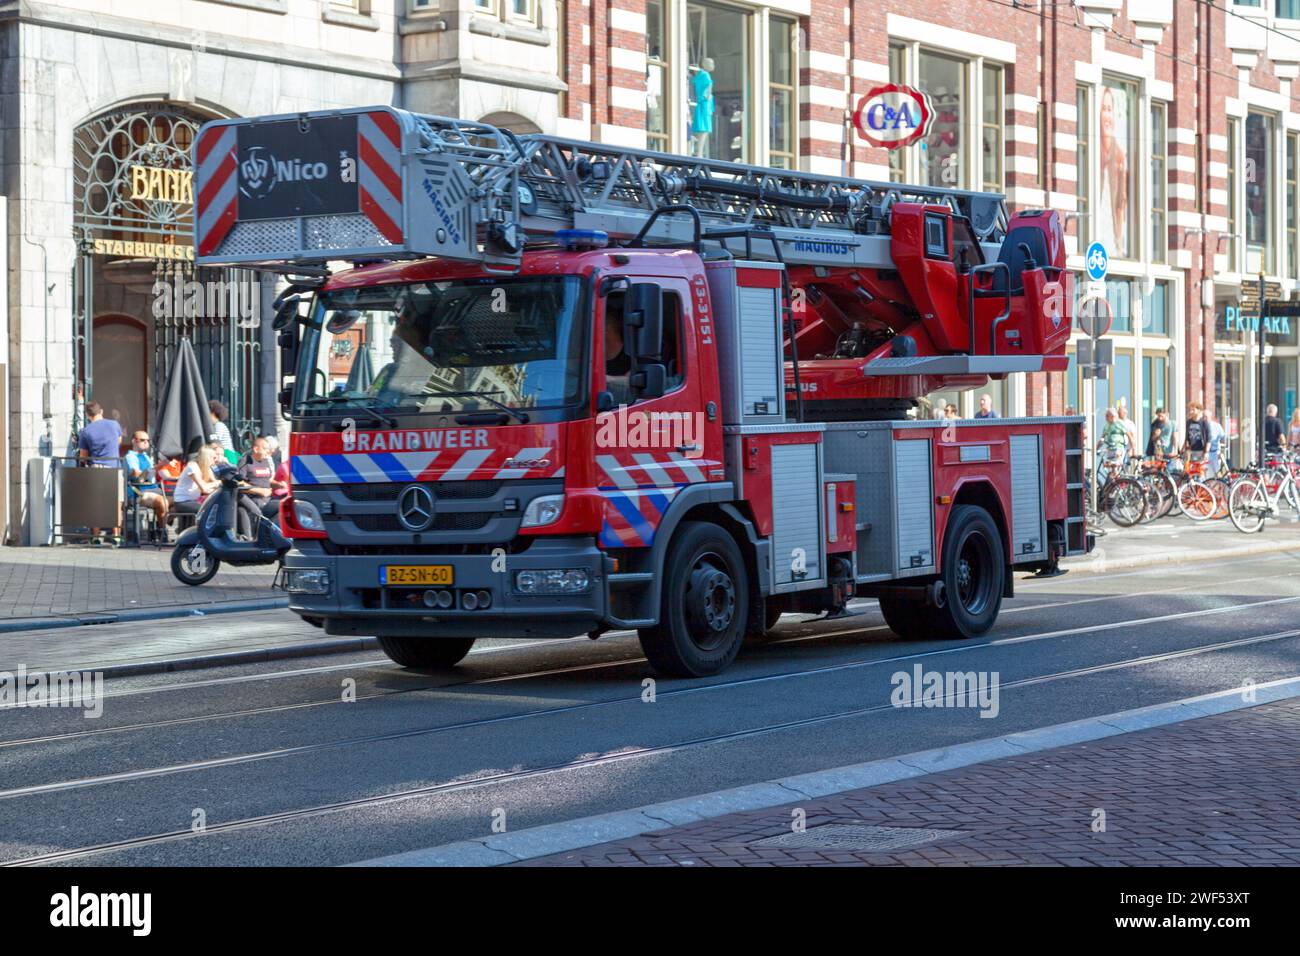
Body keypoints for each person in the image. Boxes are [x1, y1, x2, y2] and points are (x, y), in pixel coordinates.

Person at [124, 430, 169, 531]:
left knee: (177, 501)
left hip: (153, 489)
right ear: (134, 441)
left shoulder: (146, 456)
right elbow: (137, 476)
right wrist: (157, 467)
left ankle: (160, 525)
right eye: (143, 440)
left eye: (148, 440)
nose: (146, 443)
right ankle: (162, 532)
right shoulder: (130, 457)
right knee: (163, 501)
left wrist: (162, 466)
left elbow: (150, 473)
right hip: (138, 492)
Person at [237, 436, 280, 536]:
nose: (268, 452)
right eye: (265, 448)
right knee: (257, 514)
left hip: (268, 498)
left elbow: (266, 479)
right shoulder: (245, 461)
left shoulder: (266, 461)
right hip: (253, 498)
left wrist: (278, 484)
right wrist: (260, 491)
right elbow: (240, 483)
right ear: (256, 449)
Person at [174, 445, 219, 518]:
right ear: (207, 458)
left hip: (193, 500)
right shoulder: (192, 467)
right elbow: (204, 488)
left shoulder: (206, 468)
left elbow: (212, 485)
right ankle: (204, 529)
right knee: (210, 509)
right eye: (214, 458)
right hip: (183, 502)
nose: (216, 460)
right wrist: (217, 483)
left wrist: (220, 486)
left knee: (217, 506)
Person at [77, 400, 123, 467]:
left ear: (87, 415)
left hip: (96, 471)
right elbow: (119, 442)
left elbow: (83, 457)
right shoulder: (115, 424)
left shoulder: (85, 431)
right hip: (115, 468)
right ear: (101, 411)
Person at [604, 299, 632, 405]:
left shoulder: (634, 356)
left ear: (606, 329)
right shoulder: (591, 356)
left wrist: (605, 380)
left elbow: (630, 383)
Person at [1097, 407, 1132, 476]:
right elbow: (1102, 438)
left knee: (1115, 467)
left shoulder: (1119, 423)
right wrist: (1096, 448)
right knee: (1111, 470)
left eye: (1107, 416)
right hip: (1110, 449)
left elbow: (1129, 436)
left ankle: (1118, 484)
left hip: (1118, 448)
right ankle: (1114, 484)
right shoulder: (1106, 426)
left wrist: (1131, 449)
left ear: (1112, 416)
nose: (1106, 418)